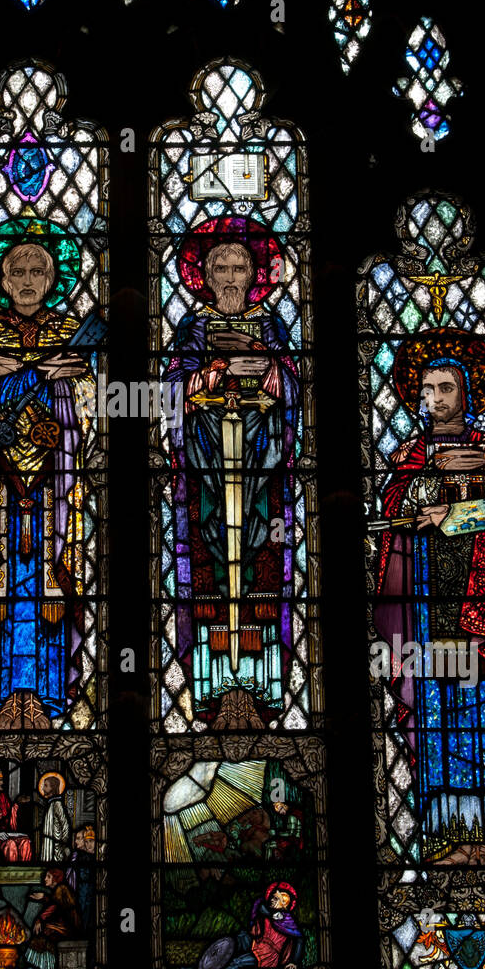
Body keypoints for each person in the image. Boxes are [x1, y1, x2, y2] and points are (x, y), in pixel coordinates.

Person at [374, 338, 485, 862]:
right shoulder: (410, 457)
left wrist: (473, 496)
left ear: (468, 393)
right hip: (428, 603)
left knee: (482, 710)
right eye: (428, 389)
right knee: (438, 709)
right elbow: (392, 515)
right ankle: (445, 835)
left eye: (446, 387)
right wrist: (427, 493)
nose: (436, 398)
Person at [0, 240, 95, 726]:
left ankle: (48, 694)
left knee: (51, 577)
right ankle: (3, 693)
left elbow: (89, 408)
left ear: (53, 280)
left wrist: (72, 378)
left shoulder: (69, 333)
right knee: (0, 576)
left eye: (40, 270)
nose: (30, 280)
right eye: (20, 271)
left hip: (54, 485)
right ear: (5, 280)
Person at [164, 239, 299, 707]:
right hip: (206, 459)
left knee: (262, 546)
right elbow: (172, 386)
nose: (228, 277)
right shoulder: (193, 326)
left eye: (238, 267)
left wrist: (269, 368)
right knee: (209, 547)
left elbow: (293, 385)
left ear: (253, 275)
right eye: (218, 267)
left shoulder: (271, 324)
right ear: (203, 275)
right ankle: (208, 679)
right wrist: (215, 371)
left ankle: (263, 680)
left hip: (261, 458)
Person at [196, 880, 304, 969]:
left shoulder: (288, 922)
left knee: (238, 962)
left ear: (284, 903)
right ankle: (206, 964)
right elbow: (261, 908)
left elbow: (299, 939)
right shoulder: (265, 910)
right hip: (256, 941)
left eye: (276, 899)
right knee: (231, 941)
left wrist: (294, 962)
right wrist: (271, 916)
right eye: (272, 897)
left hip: (267, 955)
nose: (271, 900)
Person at [24, 868, 81, 969]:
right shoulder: (59, 889)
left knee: (45, 932)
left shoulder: (61, 888)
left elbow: (54, 906)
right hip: (63, 925)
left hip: (69, 927)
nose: (45, 879)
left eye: (48, 877)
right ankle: (39, 967)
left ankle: (44, 968)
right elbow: (55, 902)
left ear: (55, 879)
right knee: (44, 931)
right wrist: (44, 897)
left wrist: (40, 919)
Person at [38, 771, 71, 862]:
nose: (43, 788)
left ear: (52, 788)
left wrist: (63, 842)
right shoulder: (51, 803)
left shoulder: (57, 804)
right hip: (49, 842)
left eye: (46, 785)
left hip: (55, 845)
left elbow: (64, 824)